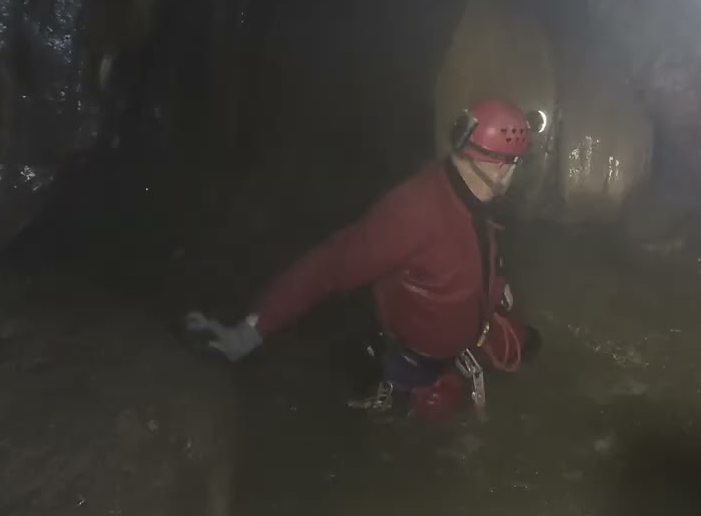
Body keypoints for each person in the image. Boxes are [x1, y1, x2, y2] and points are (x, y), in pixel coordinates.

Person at [186, 99, 541, 419]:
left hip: (471, 338)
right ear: (501, 169)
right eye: (515, 164)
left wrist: (498, 297)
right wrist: (250, 331)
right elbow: (329, 266)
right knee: (434, 436)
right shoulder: (414, 212)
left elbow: (475, 256)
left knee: (532, 348)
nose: (517, 173)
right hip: (416, 365)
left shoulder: (475, 199)